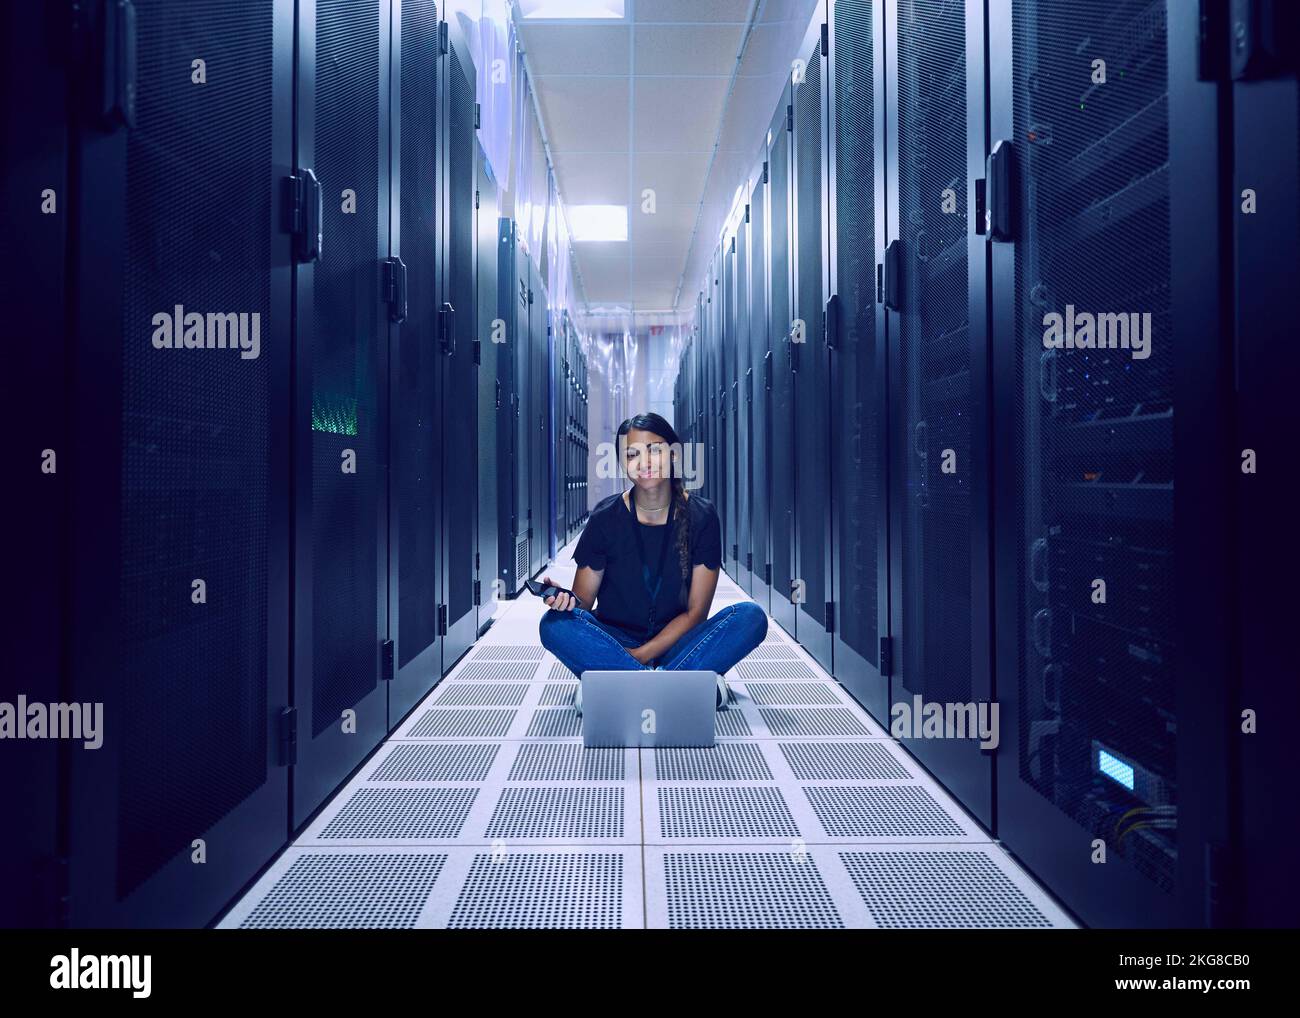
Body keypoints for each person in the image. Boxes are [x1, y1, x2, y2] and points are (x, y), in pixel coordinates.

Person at [537, 412, 768, 714]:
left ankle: (620, 682)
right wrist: (564, 601)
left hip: (679, 640)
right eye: (632, 454)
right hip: (616, 637)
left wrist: (641, 655)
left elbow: (697, 612)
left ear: (673, 454)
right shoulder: (605, 518)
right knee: (553, 625)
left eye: (654, 450)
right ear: (622, 463)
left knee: (750, 617)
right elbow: (583, 604)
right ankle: (678, 685)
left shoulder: (701, 516)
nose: (644, 462)